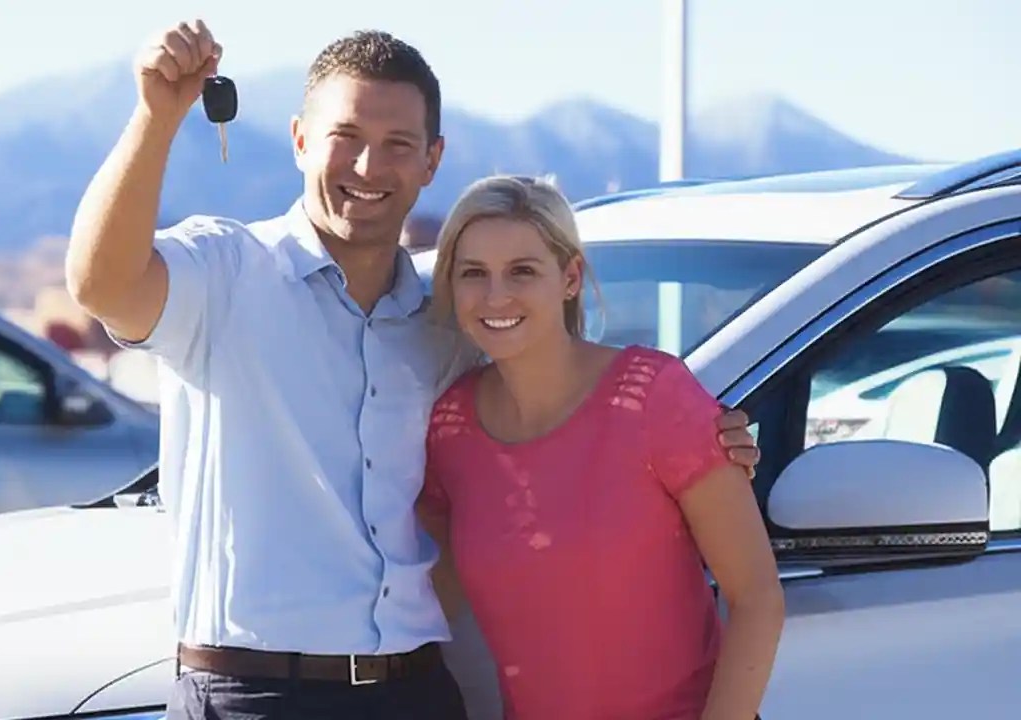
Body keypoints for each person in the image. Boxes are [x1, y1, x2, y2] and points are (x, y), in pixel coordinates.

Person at [65, 19, 762, 720]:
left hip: (418, 693)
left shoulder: (448, 329)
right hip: (255, 695)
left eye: (398, 145)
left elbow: (563, 428)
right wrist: (157, 117)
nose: (369, 168)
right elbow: (101, 285)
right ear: (301, 140)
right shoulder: (224, 275)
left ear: (432, 161)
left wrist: (710, 438)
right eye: (346, 138)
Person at [419, 174, 785, 720]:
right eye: (474, 273)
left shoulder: (653, 396)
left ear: (570, 278)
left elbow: (757, 600)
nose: (496, 296)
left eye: (522, 271)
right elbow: (428, 600)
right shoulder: (449, 430)